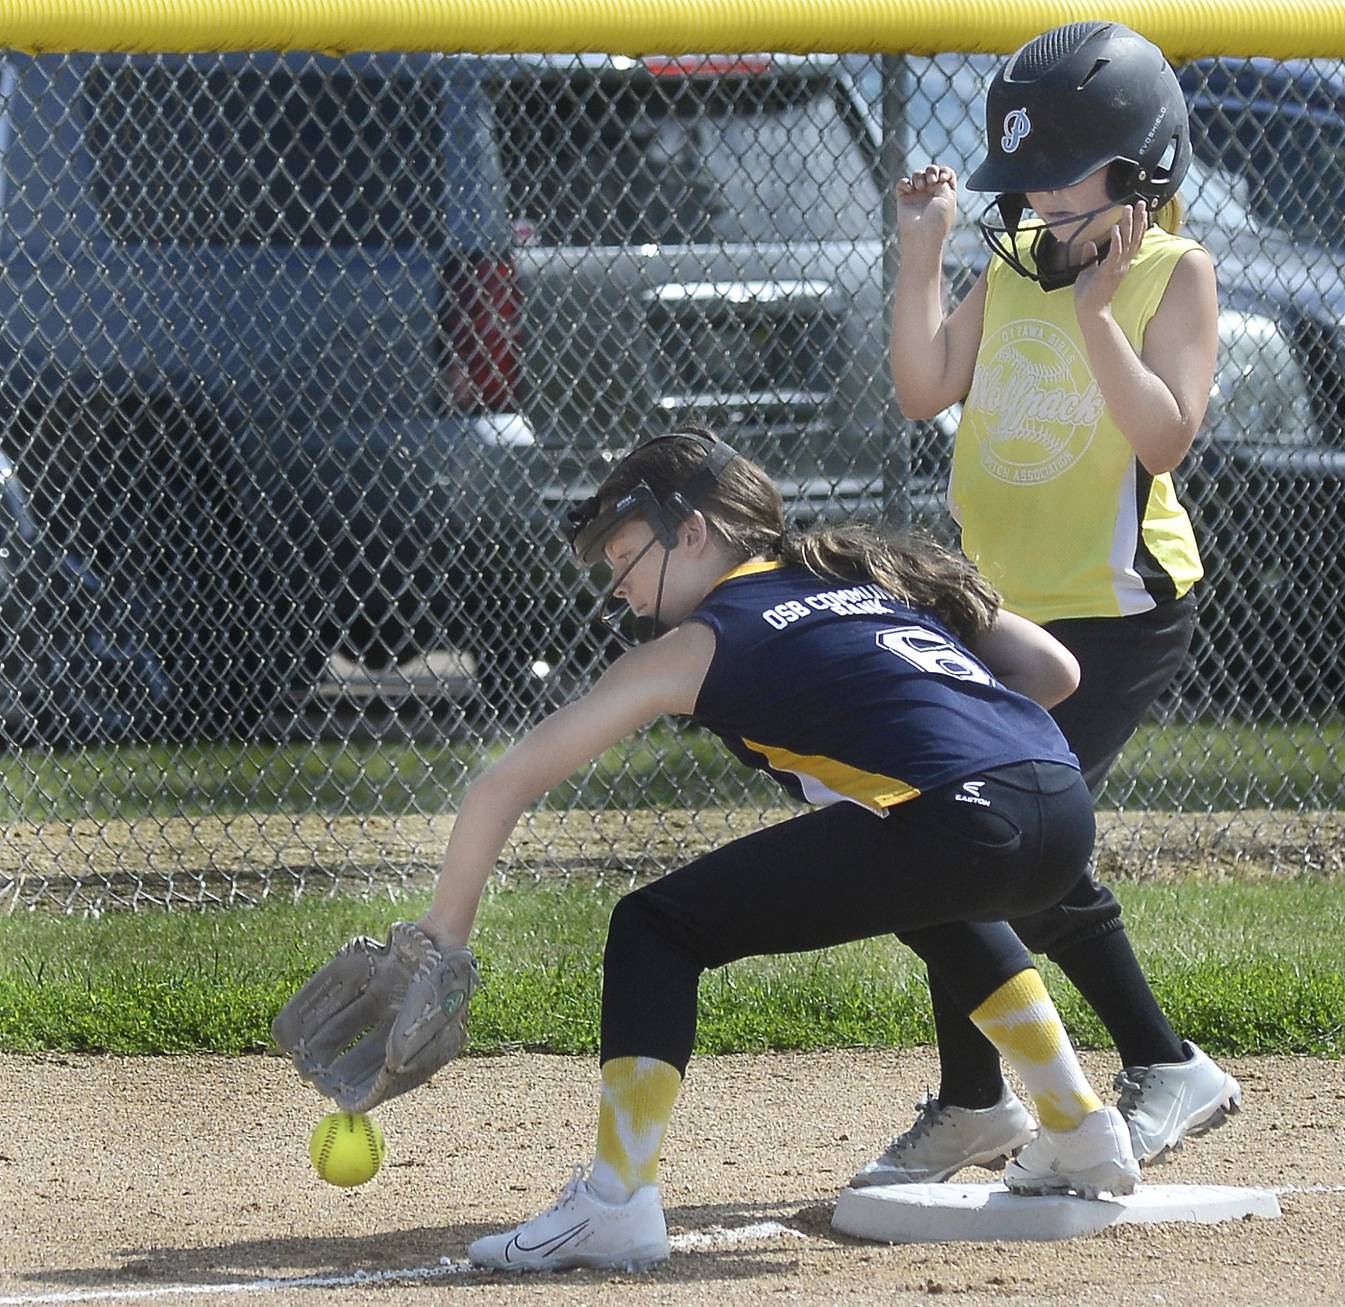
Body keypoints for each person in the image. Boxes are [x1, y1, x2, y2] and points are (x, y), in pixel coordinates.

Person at [404, 428, 1145, 1272]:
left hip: (965, 817)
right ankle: (1080, 1127)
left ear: (692, 531)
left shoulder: (699, 642)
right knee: (922, 880)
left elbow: (502, 784)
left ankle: (615, 1200)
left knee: (654, 926)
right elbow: (1055, 671)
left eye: (626, 554)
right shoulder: (856, 573)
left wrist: (442, 939)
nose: (620, 589)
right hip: (1057, 796)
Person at [863, 20, 1241, 1187]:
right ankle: (1075, 1083)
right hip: (998, 609)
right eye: (1022, 178)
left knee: (982, 838)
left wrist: (1094, 313)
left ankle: (1029, 1088)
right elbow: (926, 386)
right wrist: (923, 254)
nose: (1032, 198)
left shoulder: (1174, 277)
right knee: (972, 832)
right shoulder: (1013, 265)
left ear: (1138, 177)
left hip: (1119, 613)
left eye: (1060, 176)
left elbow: (1165, 435)